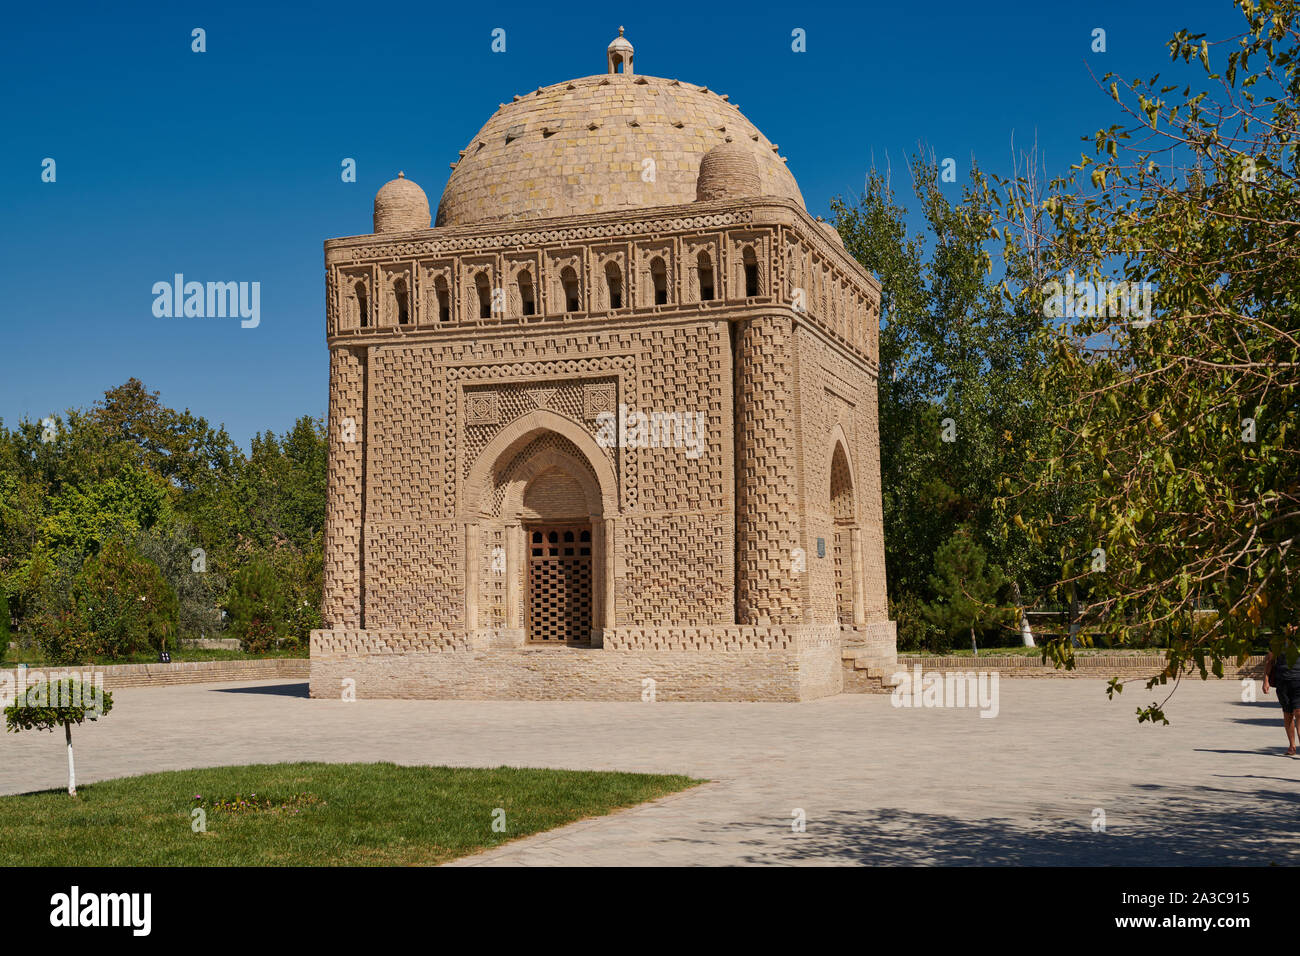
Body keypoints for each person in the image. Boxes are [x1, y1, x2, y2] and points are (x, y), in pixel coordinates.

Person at [1261, 648, 1300, 755]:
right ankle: (1292, 745)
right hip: (1282, 682)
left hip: (1299, 681)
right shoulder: (1278, 640)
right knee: (1288, 714)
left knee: (1298, 712)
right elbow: (1270, 661)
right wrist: (1266, 680)